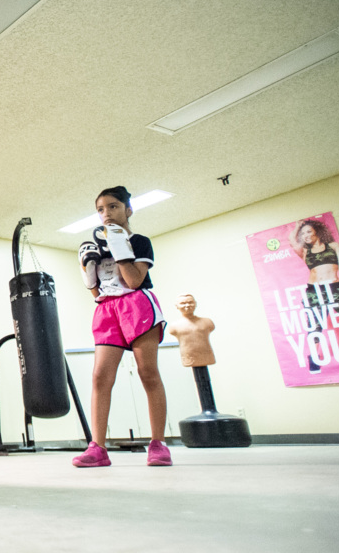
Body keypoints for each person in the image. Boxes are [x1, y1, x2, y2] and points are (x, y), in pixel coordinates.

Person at [74, 186, 171, 467]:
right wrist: (88, 275)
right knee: (100, 377)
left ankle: (158, 444)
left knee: (147, 372)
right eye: (100, 209)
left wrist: (119, 247)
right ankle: (97, 448)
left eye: (113, 206)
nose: (106, 213)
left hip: (137, 304)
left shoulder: (139, 241)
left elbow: (134, 281)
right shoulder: (96, 245)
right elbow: (98, 292)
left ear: (128, 210)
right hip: (107, 309)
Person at [288, 218, 339, 342]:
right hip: (315, 291)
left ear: (317, 232)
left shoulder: (333, 246)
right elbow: (292, 241)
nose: (305, 235)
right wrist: (297, 226)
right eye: (303, 233)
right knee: (314, 326)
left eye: (309, 232)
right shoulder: (305, 251)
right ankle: (314, 354)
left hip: (335, 288)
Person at [169, 293, 215, 368]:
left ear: (195, 304)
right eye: (183, 303)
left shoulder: (208, 322)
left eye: (190, 302)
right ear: (176, 306)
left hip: (207, 355)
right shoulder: (174, 326)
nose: (187, 305)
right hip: (188, 357)